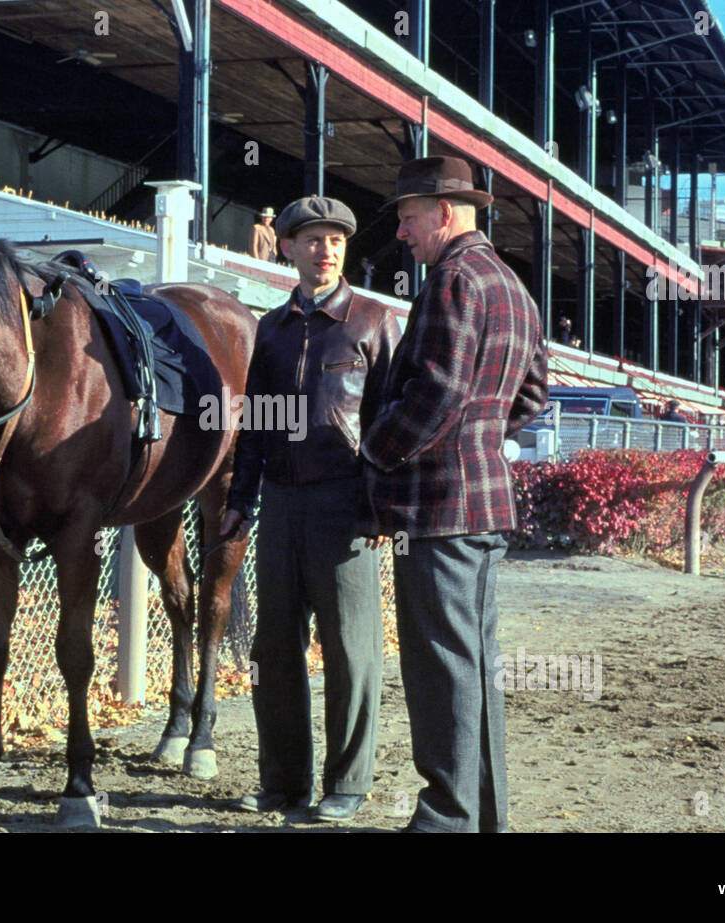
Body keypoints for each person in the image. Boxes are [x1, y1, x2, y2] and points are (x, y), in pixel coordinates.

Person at [360, 156, 548, 832]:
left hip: (439, 509)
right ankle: (481, 816)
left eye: (409, 218)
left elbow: (435, 390)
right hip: (482, 505)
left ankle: (445, 819)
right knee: (472, 668)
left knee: (442, 672)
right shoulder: (513, 288)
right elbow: (530, 396)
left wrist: (375, 448)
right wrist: (477, 432)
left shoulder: (453, 279)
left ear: (443, 213)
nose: (402, 233)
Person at [222, 196, 400, 823]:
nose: (325, 251)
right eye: (312, 240)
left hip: (345, 506)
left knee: (352, 649)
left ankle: (346, 783)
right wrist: (241, 501)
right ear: (288, 247)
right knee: (274, 647)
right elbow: (255, 425)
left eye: (336, 241)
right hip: (280, 503)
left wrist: (381, 507)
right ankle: (282, 782)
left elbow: (389, 423)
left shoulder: (374, 321)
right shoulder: (268, 330)